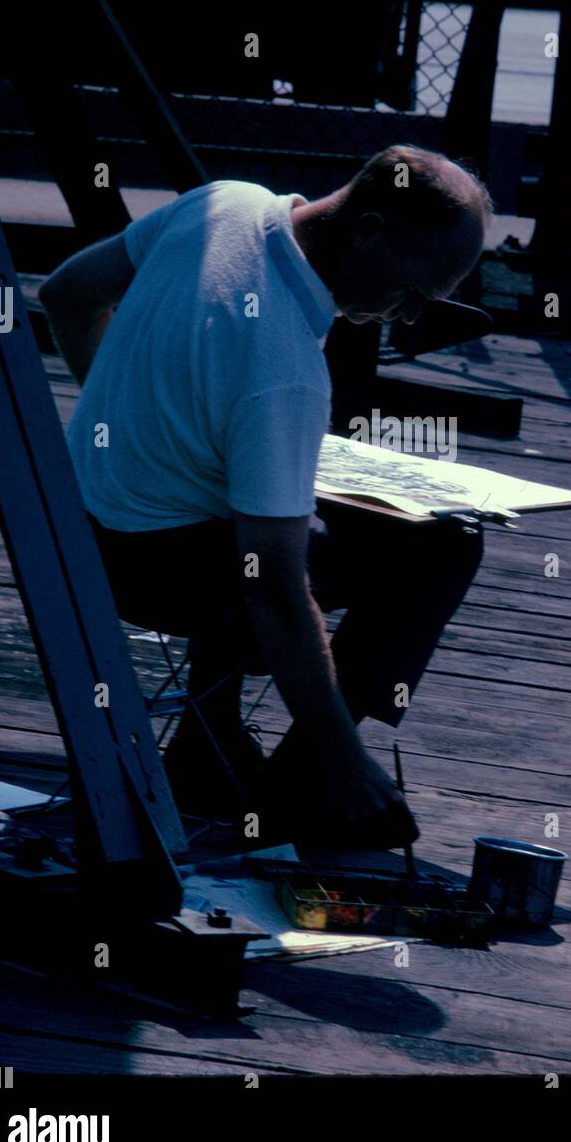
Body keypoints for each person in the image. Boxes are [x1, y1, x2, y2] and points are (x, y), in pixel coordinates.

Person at [39, 145, 491, 847]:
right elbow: (275, 594)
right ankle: (310, 788)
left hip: (77, 525)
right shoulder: (285, 370)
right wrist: (353, 767)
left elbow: (66, 293)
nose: (406, 319)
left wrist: (119, 412)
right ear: (368, 229)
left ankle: (203, 743)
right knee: (444, 544)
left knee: (252, 490)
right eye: (413, 293)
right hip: (147, 574)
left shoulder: (222, 204)